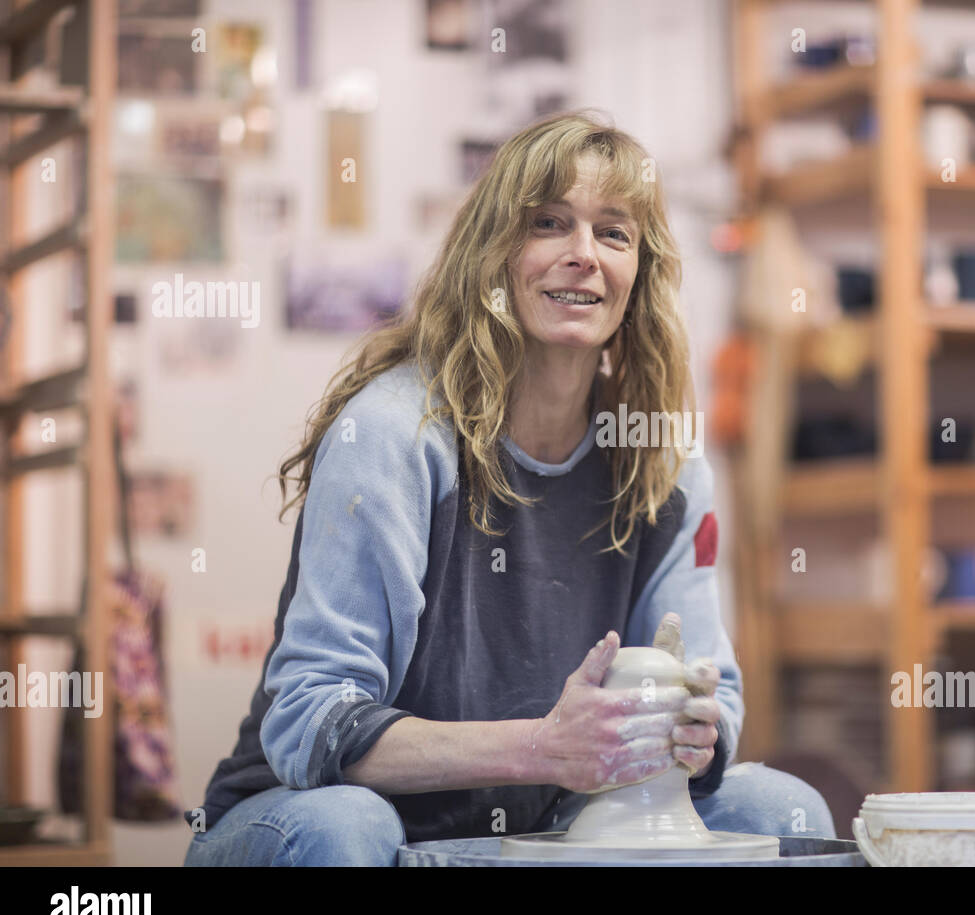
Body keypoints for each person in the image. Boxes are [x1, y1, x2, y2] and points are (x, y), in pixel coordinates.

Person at [184, 110, 833, 866]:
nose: (583, 254)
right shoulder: (395, 434)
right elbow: (308, 724)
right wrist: (542, 748)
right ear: (491, 255)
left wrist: (692, 733)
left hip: (537, 820)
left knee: (779, 808)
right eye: (549, 224)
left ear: (640, 277)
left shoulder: (663, 464)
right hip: (313, 819)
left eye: (613, 233)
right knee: (346, 828)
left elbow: (713, 695)